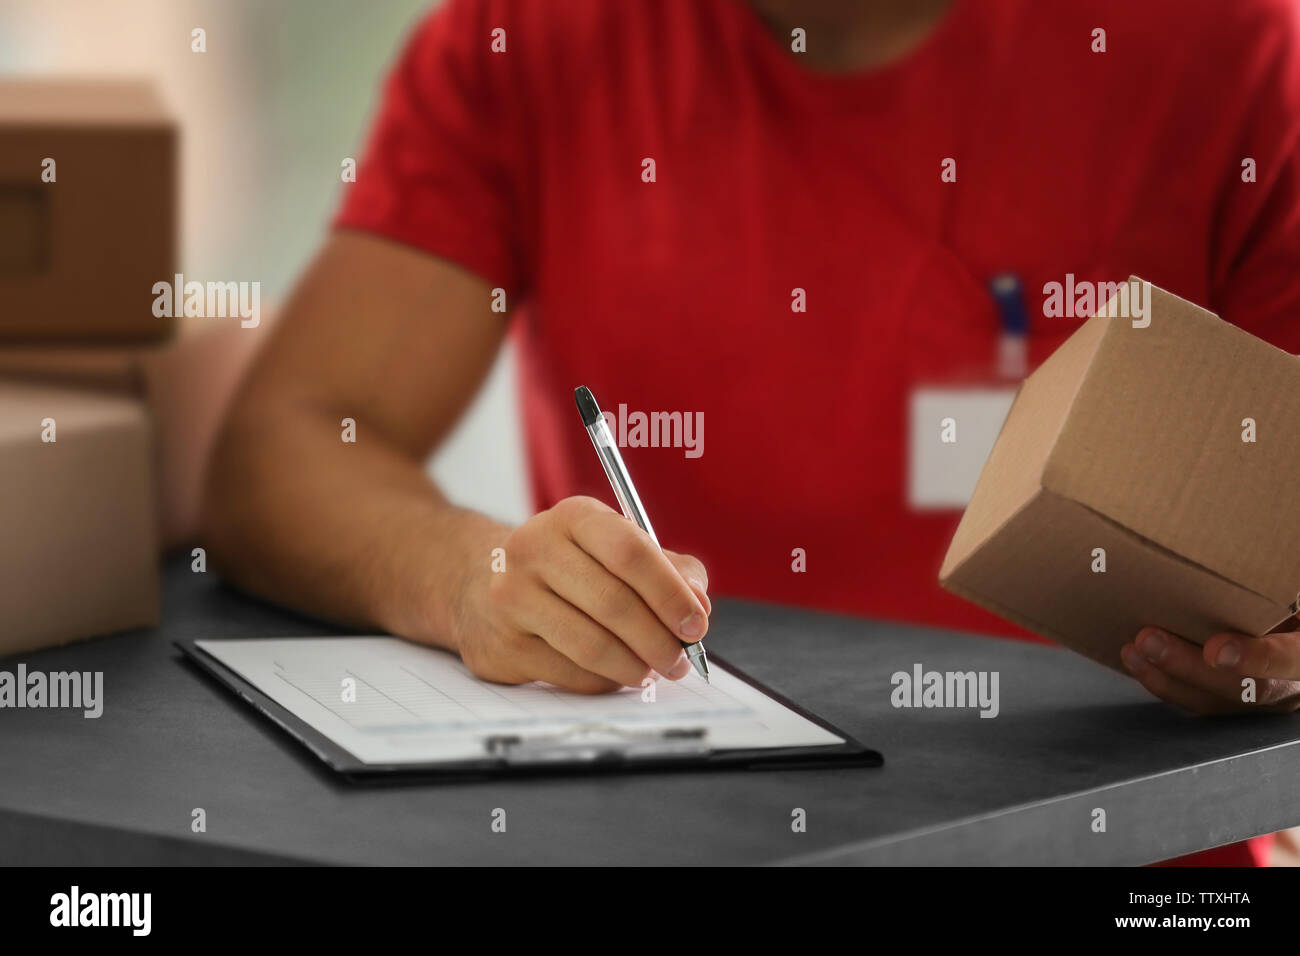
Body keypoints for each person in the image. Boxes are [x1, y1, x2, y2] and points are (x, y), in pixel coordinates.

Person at [203, 0, 1300, 864]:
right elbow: (286, 443)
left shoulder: (1235, 52)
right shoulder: (527, 37)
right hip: (662, 833)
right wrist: (467, 575)